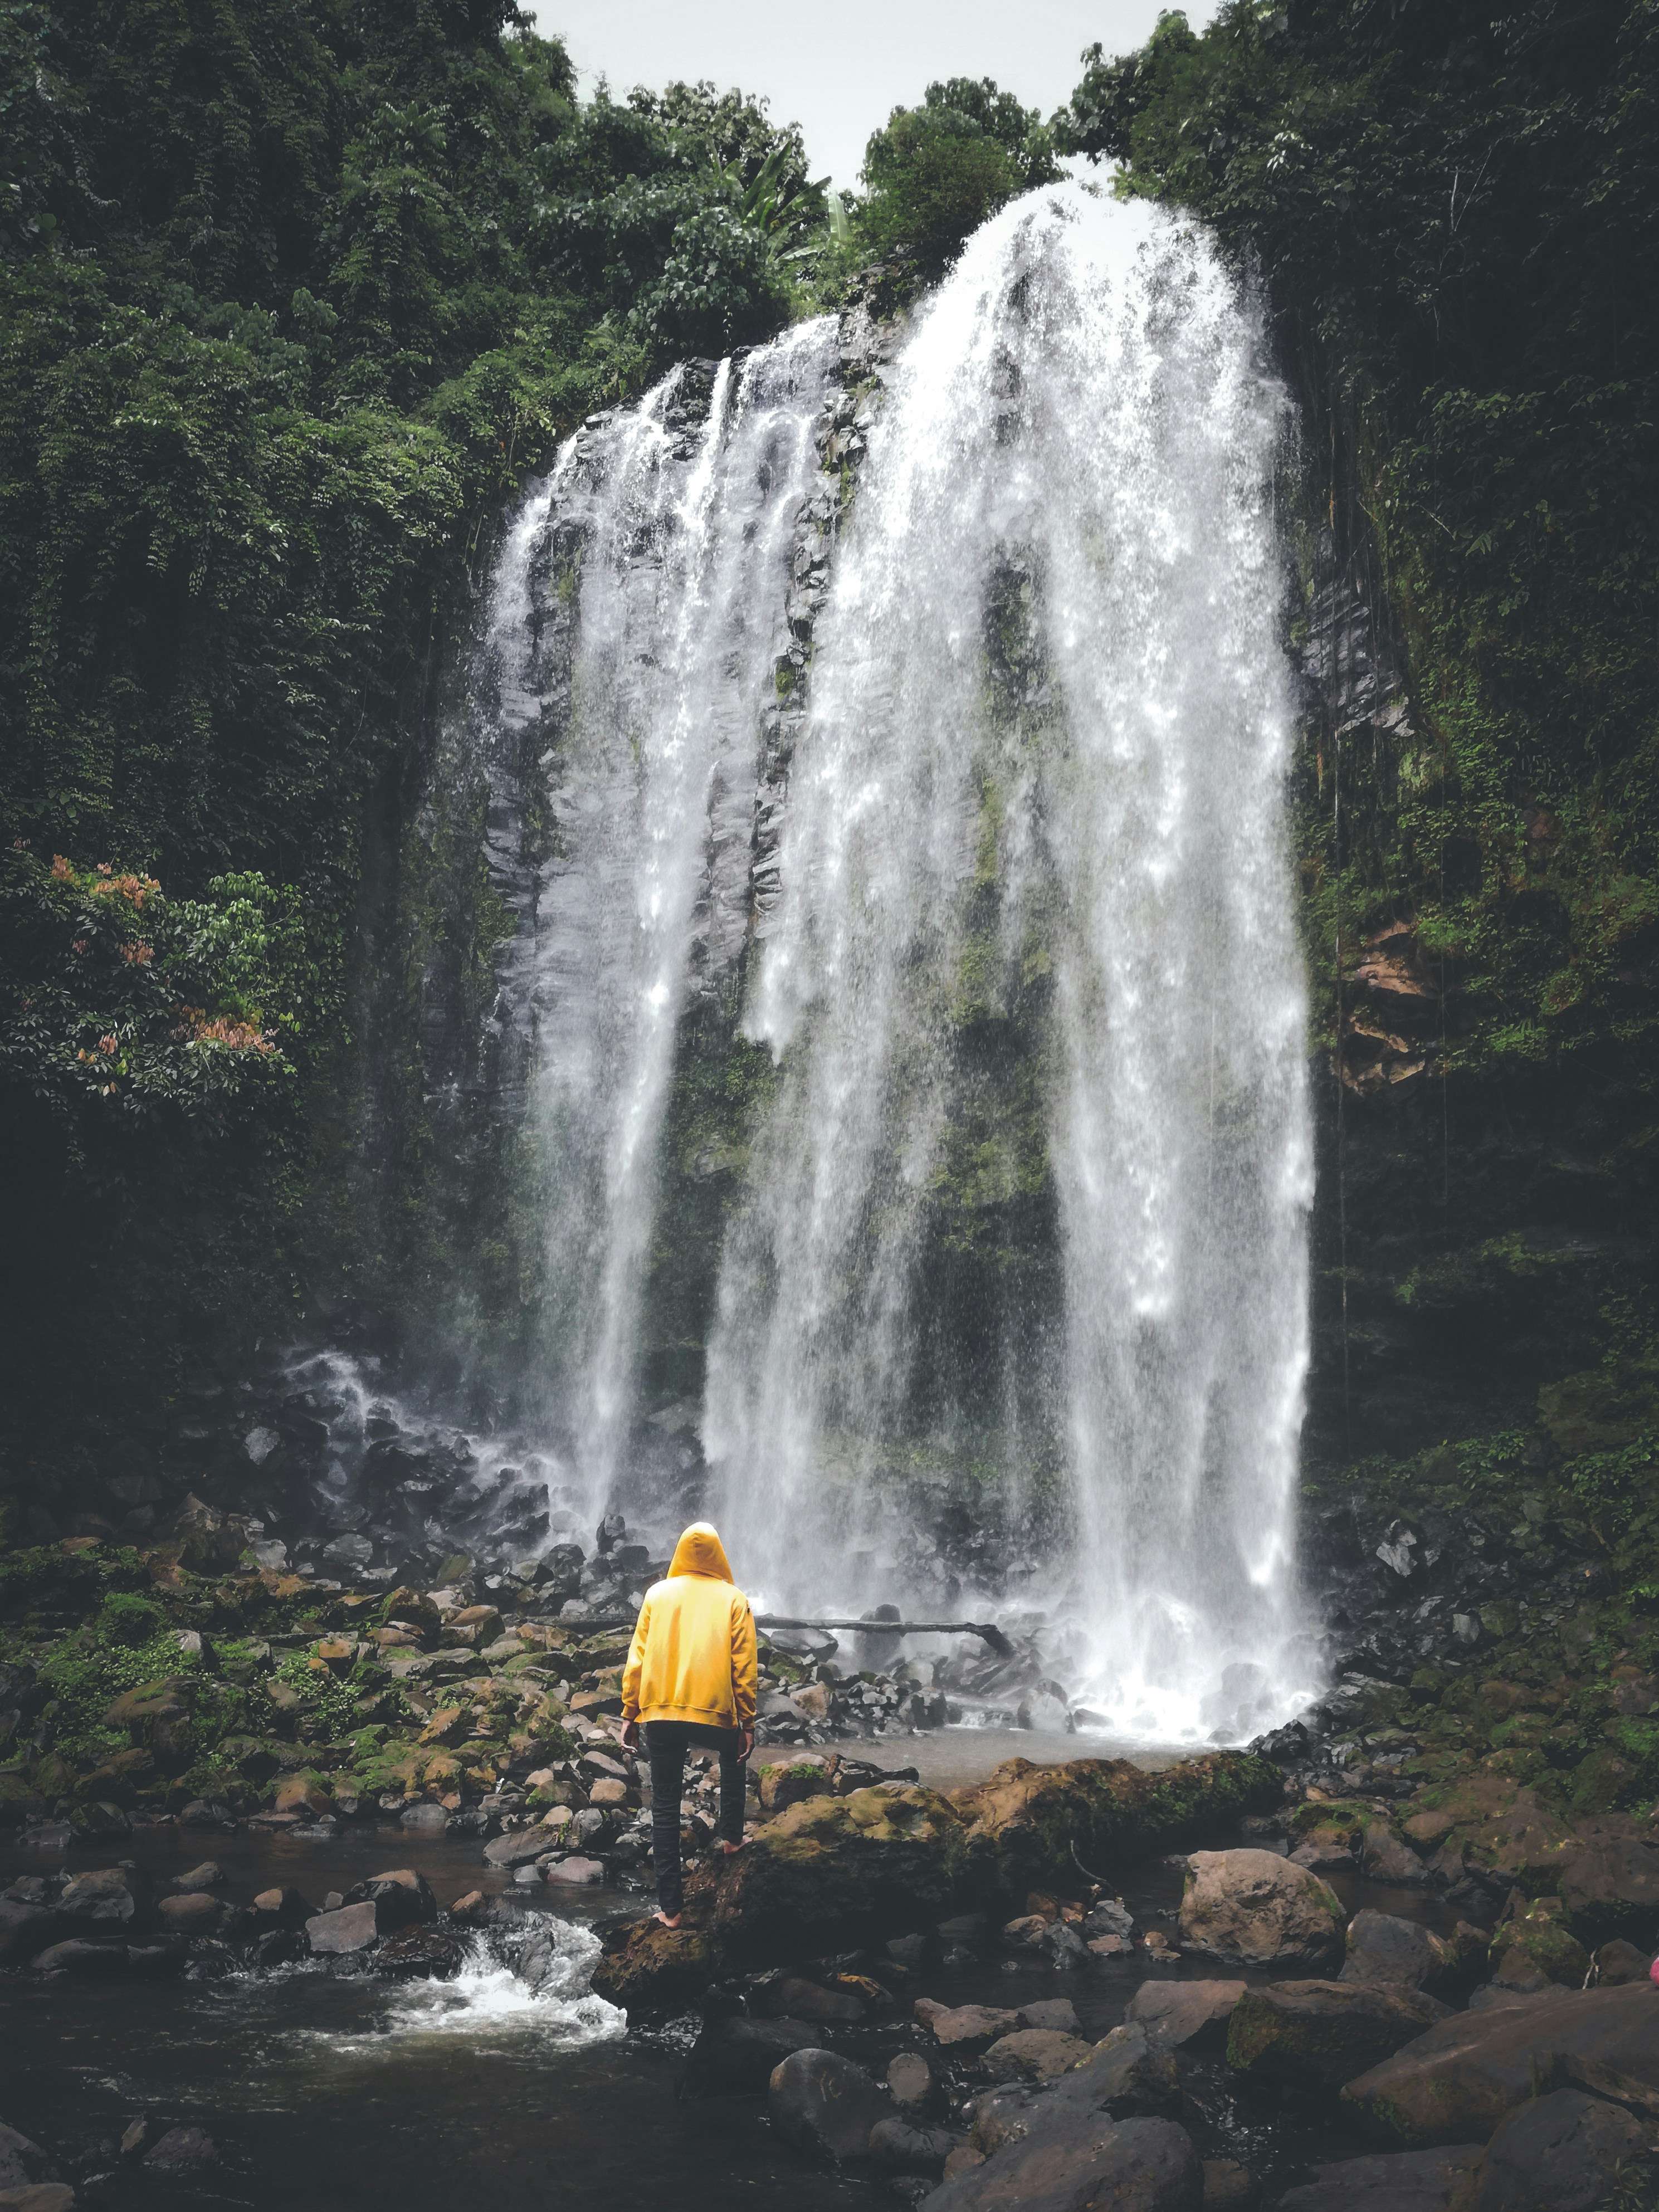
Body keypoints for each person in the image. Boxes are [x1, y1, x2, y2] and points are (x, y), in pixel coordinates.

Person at [619, 1521, 757, 1928]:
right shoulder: (735, 1599)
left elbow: (637, 1659)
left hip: (660, 1713)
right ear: (718, 1555)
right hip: (716, 1711)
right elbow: (744, 1668)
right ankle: (732, 1838)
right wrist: (747, 1720)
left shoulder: (657, 1595)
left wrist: (630, 1712)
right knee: (735, 1758)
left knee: (663, 1806)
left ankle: (671, 1910)